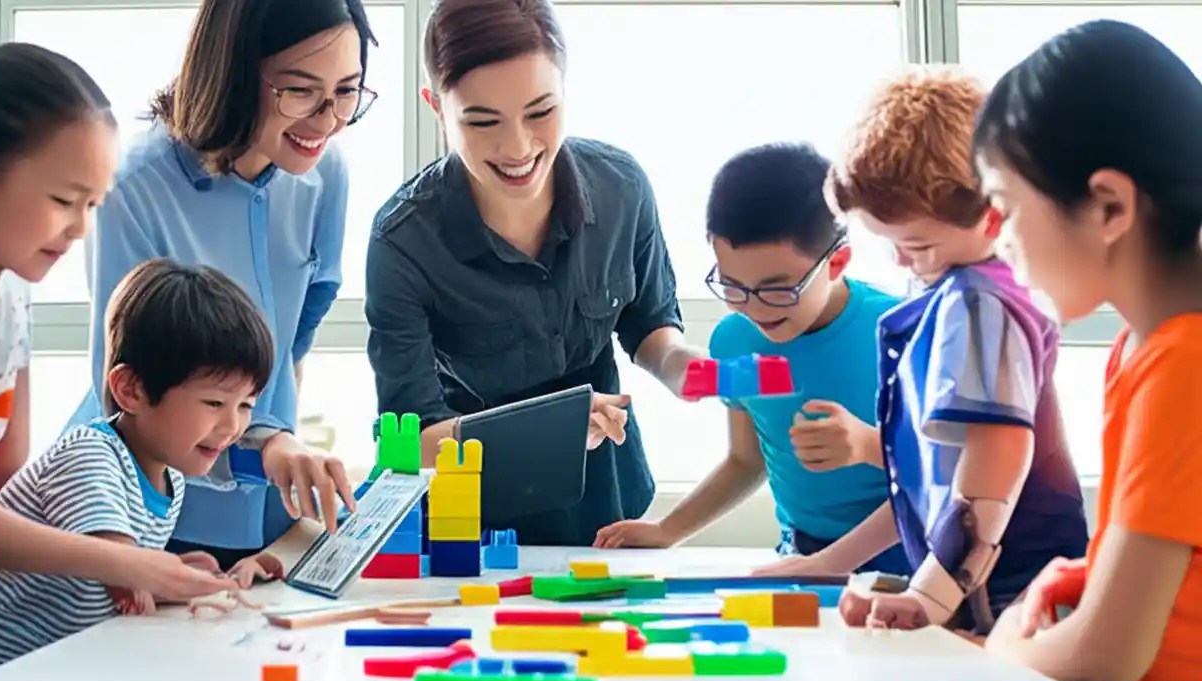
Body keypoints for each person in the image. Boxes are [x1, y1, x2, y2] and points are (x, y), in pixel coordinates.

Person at [0, 43, 234, 681]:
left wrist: (150, 568)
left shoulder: (9, 293)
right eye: (65, 200)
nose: (80, 230)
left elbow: (5, 490)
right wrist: (129, 561)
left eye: (94, 205)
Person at [365, 0, 703, 547]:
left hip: (608, 503)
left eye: (541, 111)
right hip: (473, 518)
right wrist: (553, 427)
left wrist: (690, 369)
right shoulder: (402, 242)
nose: (518, 147)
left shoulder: (622, 188)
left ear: (566, 91)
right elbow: (412, 441)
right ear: (436, 106)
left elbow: (649, 326)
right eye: (482, 121)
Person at [64, 0, 380, 567]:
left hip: (270, 504)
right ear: (233, 73)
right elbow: (126, 390)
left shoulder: (324, 175)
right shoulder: (133, 186)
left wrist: (270, 437)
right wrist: (262, 443)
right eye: (300, 91)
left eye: (347, 91)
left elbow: (290, 341)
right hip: (143, 513)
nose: (327, 120)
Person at [974, 21, 1202, 681]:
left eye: (1008, 207)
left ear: (1109, 206)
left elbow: (1108, 653)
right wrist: (1100, 576)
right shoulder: (1140, 345)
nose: (999, 237)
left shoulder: (1182, 361)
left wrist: (1003, 649)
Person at [822, 66, 1089, 633]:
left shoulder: (978, 302)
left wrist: (931, 596)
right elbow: (933, 479)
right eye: (890, 244)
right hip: (995, 585)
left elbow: (996, 457)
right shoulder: (965, 294)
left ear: (991, 213)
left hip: (1012, 592)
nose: (902, 262)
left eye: (916, 244)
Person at [0, 259, 277, 681]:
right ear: (130, 389)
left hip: (61, 677)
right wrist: (161, 576)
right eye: (214, 403)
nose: (232, 427)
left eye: (245, 405)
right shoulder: (89, 456)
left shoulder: (171, 481)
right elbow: (122, 575)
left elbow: (113, 581)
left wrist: (194, 577)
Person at [593, 143, 910, 576]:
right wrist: (668, 530)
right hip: (798, 557)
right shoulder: (737, 339)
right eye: (733, 287)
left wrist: (868, 447)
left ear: (837, 262)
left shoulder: (901, 334)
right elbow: (747, 460)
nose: (757, 309)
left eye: (778, 289)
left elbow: (942, 477)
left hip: (907, 561)